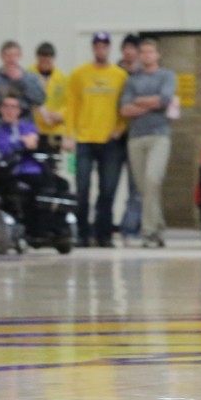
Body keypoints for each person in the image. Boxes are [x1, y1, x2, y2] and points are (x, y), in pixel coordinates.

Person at [66, 31, 128, 249]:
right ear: (93, 48)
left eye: (104, 46)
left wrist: (121, 128)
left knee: (107, 190)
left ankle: (105, 234)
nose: (100, 50)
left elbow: (124, 106)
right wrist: (68, 134)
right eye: (97, 46)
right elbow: (71, 105)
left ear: (109, 49)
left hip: (109, 141)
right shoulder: (79, 74)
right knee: (82, 189)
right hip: (84, 139)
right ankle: (83, 233)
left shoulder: (120, 76)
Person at [120, 38, 176, 249]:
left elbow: (164, 99)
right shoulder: (132, 80)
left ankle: (149, 231)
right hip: (136, 137)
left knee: (153, 179)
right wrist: (150, 103)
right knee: (145, 189)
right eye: (143, 52)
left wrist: (139, 101)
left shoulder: (167, 76)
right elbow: (125, 109)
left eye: (150, 52)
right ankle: (158, 225)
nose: (146, 55)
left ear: (157, 54)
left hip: (159, 136)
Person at [0, 40, 47, 148]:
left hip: (25, 134)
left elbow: (40, 99)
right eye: (8, 55)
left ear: (20, 56)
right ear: (1, 56)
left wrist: (21, 81)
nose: (11, 59)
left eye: (15, 55)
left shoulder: (31, 78)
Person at [31, 42, 69, 152]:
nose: (45, 65)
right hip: (35, 129)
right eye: (42, 61)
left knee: (53, 164)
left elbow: (69, 104)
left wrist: (61, 114)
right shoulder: (29, 75)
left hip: (55, 130)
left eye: (48, 62)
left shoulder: (62, 78)